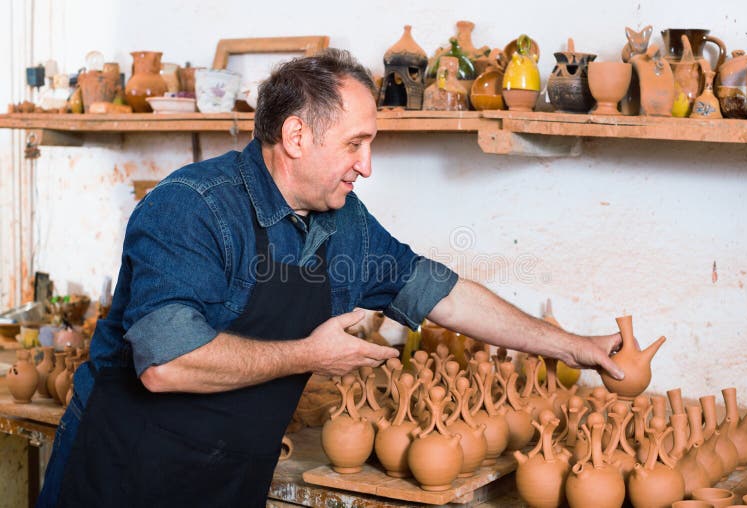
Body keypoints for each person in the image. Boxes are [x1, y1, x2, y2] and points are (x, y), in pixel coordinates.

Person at [37, 49, 624, 508]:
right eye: (355, 143)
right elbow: (166, 365)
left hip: (228, 479)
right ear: (296, 137)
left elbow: (440, 293)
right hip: (123, 476)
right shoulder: (192, 207)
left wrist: (575, 346)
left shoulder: (345, 222)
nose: (366, 165)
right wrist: (308, 355)